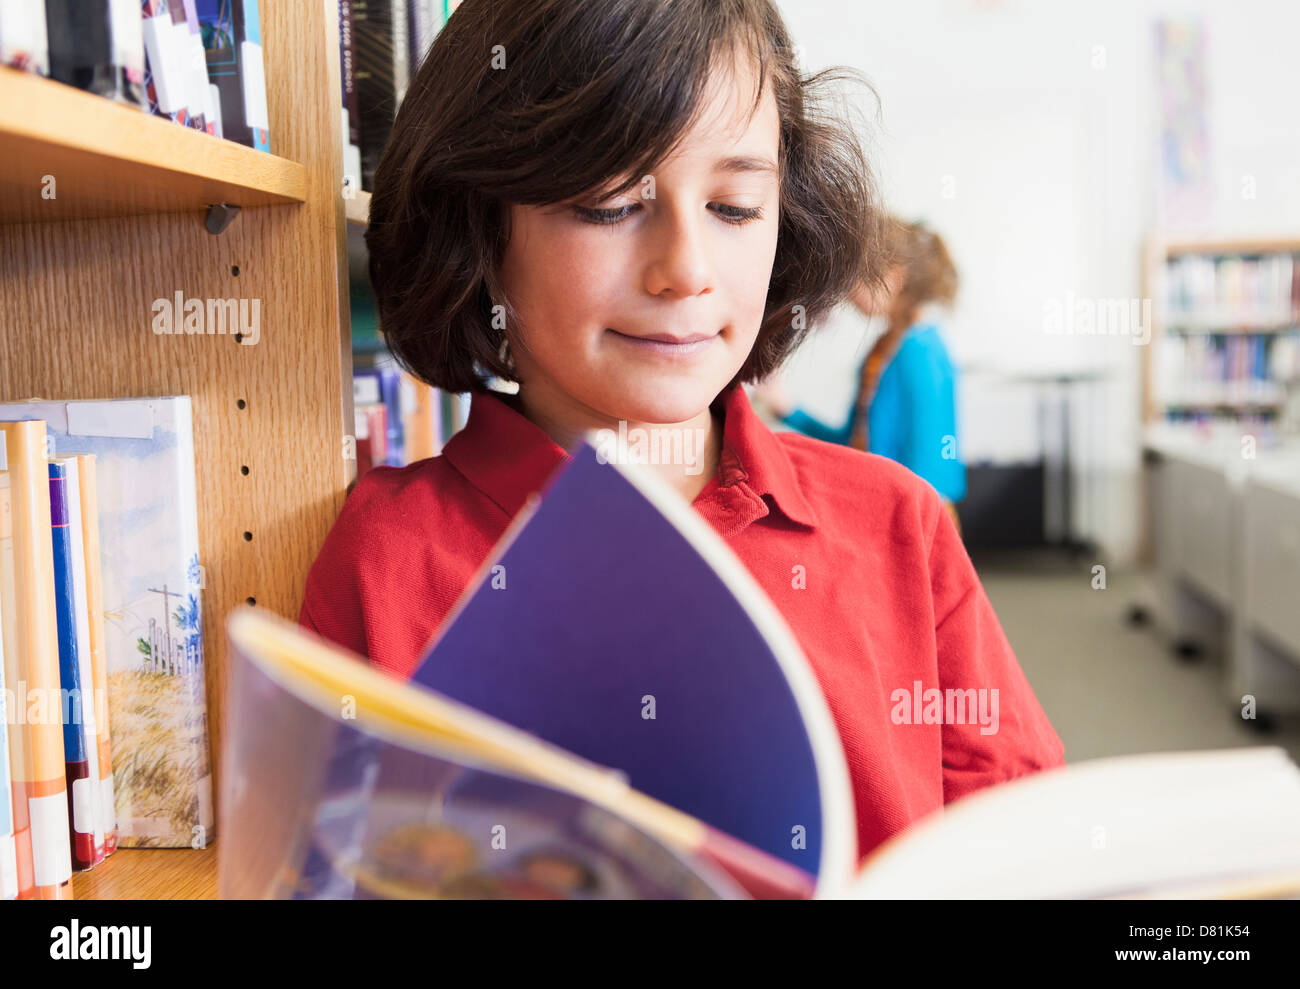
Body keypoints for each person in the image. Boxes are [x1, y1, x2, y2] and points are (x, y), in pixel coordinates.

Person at [299, 0, 1063, 868]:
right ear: (484, 223)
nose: (688, 270)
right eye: (613, 201)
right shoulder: (388, 553)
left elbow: (1024, 842)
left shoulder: (900, 524)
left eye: (735, 207)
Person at [757, 219, 966, 529]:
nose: (847, 292)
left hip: (919, 521)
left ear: (893, 278)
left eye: (854, 279)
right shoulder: (883, 350)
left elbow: (931, 467)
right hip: (889, 511)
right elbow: (854, 444)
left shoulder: (920, 352)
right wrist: (790, 410)